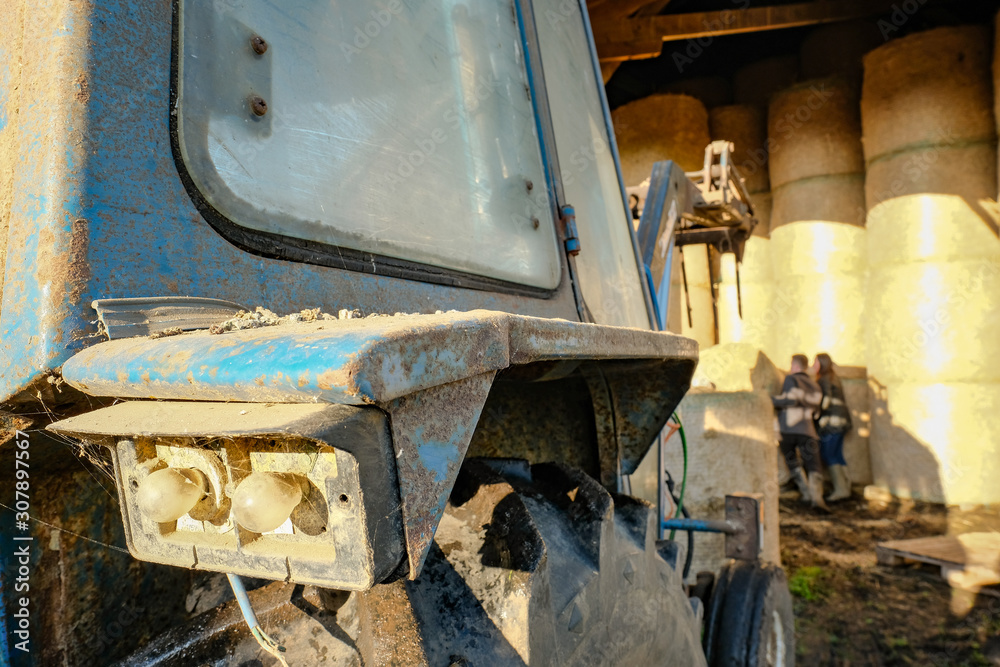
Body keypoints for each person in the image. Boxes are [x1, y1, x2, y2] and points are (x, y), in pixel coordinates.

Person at [771, 354, 827, 510]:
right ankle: (817, 498)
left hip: (788, 429)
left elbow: (789, 400)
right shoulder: (815, 385)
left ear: (795, 366)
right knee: (813, 464)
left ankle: (806, 494)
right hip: (808, 430)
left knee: (792, 461)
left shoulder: (791, 379)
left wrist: (768, 399)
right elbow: (816, 412)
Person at [813, 353, 853, 501]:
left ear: (821, 364)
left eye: (815, 362)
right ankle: (847, 488)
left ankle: (841, 489)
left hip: (832, 423)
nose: (813, 365)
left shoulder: (824, 379)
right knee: (837, 454)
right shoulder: (833, 377)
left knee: (828, 454)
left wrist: (816, 414)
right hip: (842, 422)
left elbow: (826, 401)